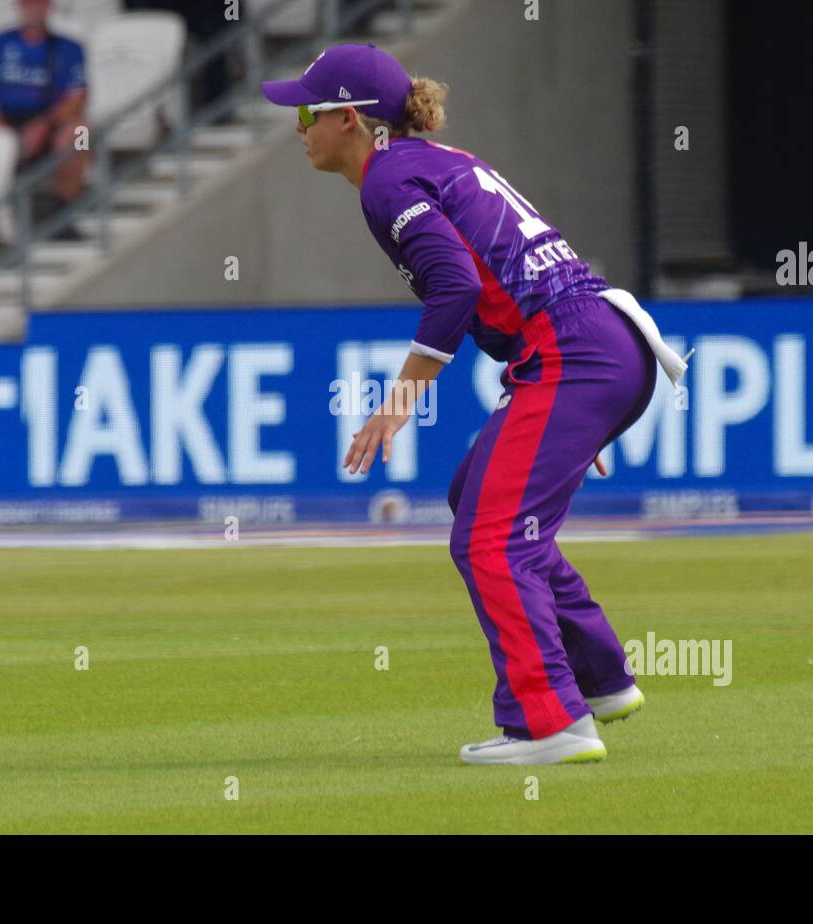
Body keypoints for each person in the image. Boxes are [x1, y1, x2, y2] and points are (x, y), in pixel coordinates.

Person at [262, 44, 691, 765]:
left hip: (575, 351)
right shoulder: (429, 160)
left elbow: (456, 288)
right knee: (480, 500)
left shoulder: (389, 179)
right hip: (602, 341)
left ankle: (551, 724)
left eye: (306, 111)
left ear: (348, 118)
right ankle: (602, 677)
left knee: (488, 537)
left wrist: (396, 403)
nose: (295, 126)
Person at [0, 0, 87, 231]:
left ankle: (64, 212)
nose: (32, 6)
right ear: (18, 2)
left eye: (38, 0)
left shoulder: (68, 47)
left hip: (46, 121)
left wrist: (44, 124)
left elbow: (77, 97)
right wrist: (3, 133)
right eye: (27, 0)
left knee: (80, 132)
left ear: (49, 3)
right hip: (2, 120)